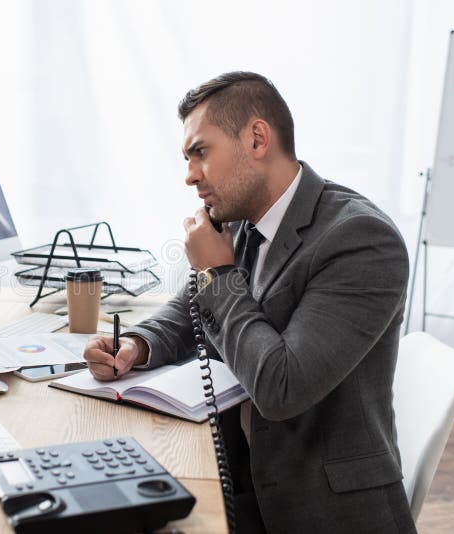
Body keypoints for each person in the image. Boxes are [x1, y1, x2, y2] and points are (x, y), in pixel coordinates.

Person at [83, 71, 415, 533]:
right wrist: (137, 344)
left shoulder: (360, 239)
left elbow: (283, 388)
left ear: (257, 138)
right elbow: (189, 308)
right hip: (243, 481)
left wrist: (218, 274)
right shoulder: (241, 220)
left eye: (200, 152)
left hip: (321, 508)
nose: (189, 175)